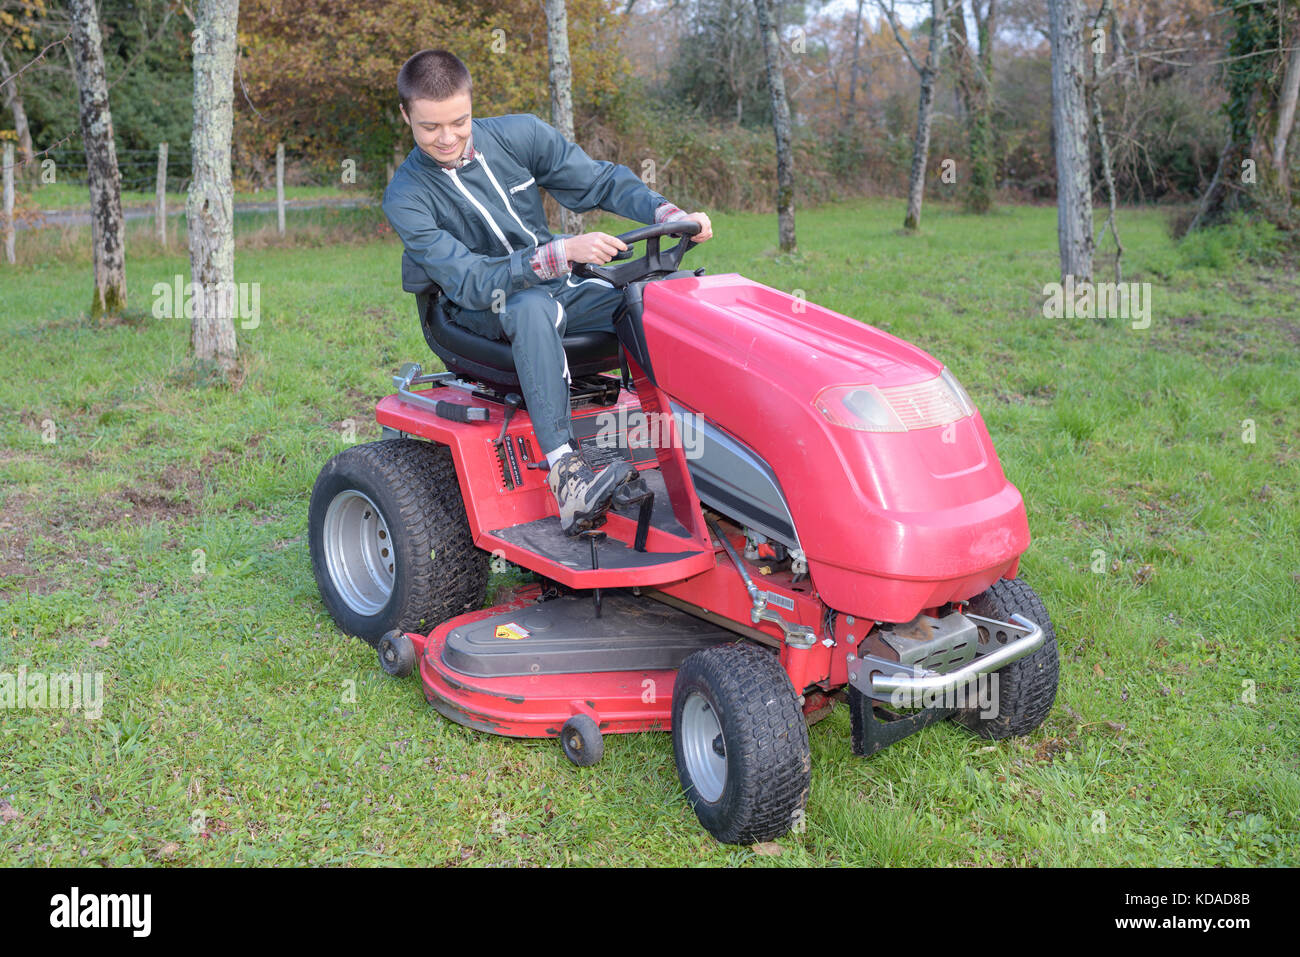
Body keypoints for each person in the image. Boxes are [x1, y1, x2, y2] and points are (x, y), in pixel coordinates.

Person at [382, 49, 712, 535]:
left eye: (459, 121)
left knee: (668, 296)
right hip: (477, 309)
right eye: (430, 127)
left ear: (472, 104)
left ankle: (710, 441)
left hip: (561, 285)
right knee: (532, 304)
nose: (448, 138)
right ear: (406, 115)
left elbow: (598, 181)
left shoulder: (521, 135)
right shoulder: (406, 196)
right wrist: (560, 253)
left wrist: (666, 213)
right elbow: (472, 281)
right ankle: (567, 474)